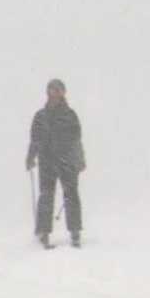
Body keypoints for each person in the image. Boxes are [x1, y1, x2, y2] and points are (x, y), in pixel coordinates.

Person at [26, 78, 85, 248]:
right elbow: (35, 139)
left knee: (71, 194)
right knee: (46, 196)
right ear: (47, 93)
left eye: (58, 91)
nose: (54, 94)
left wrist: (80, 159)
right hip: (46, 161)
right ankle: (44, 232)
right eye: (52, 90)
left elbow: (77, 140)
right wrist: (30, 157)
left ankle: (75, 231)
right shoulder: (40, 116)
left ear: (63, 93)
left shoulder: (70, 115)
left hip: (67, 160)